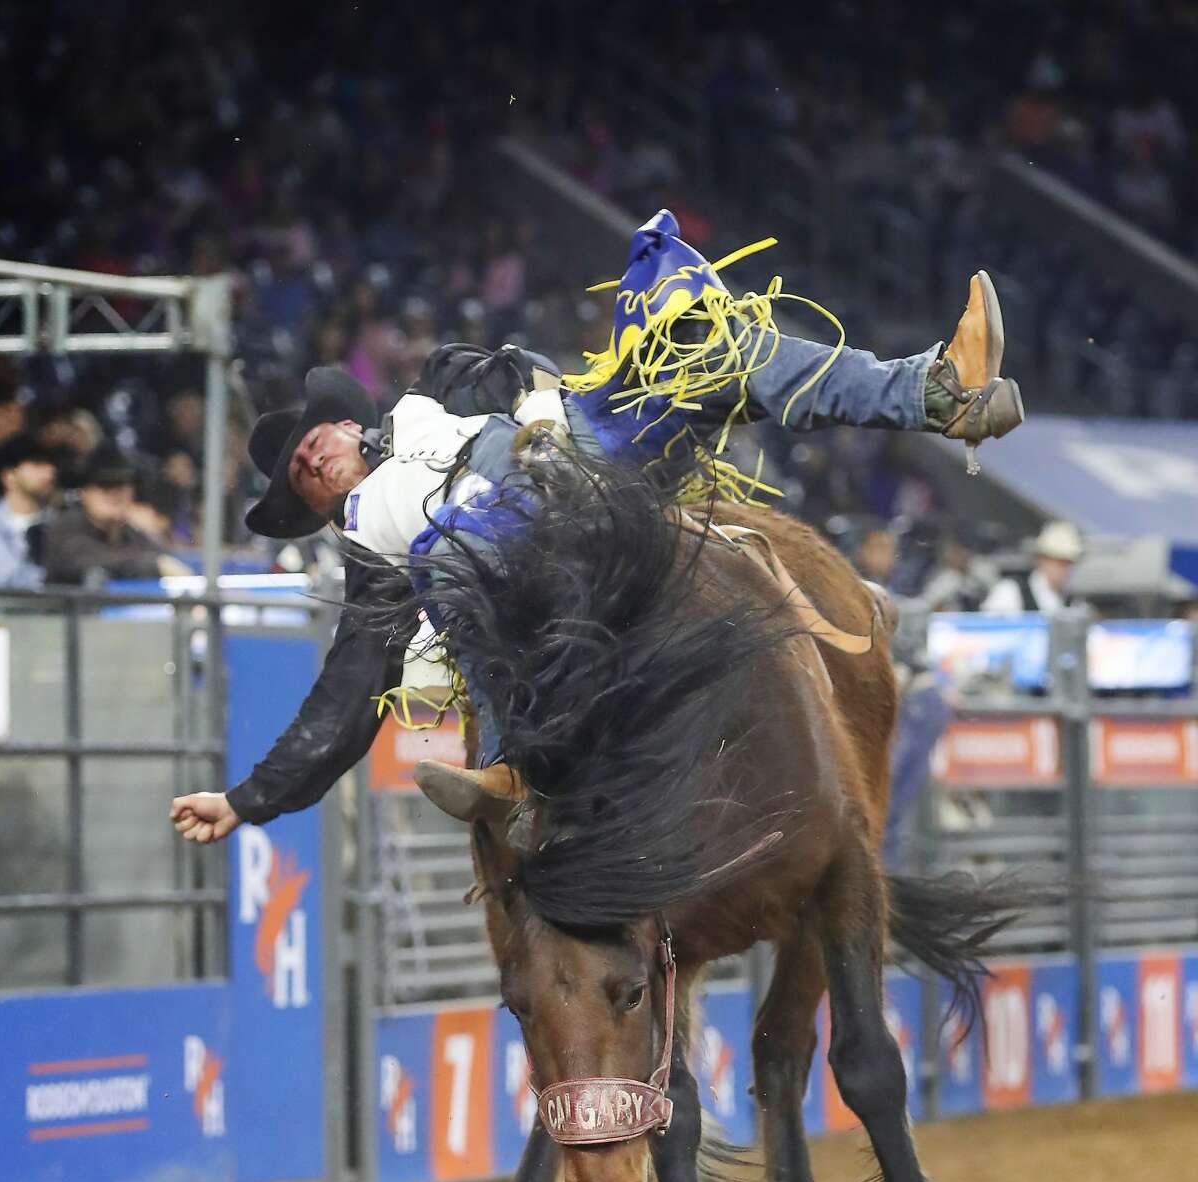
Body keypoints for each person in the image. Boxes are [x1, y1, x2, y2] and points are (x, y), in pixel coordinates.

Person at [171, 209, 1026, 845]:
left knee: (708, 349)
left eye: (309, 445)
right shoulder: (376, 559)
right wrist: (250, 800)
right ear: (313, 506)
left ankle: (936, 392)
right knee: (451, 549)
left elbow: (521, 370)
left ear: (339, 425)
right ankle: (513, 769)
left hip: (591, 451)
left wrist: (537, 401)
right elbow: (346, 698)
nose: (312, 462)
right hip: (514, 546)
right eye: (300, 475)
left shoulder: (434, 387)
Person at [41, 446, 191, 586]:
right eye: (105, 485)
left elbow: (166, 559)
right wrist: (155, 565)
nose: (115, 493)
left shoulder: (132, 534)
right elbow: (83, 559)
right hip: (67, 613)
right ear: (84, 493)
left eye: (122, 484)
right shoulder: (65, 528)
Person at [981, 520, 1083, 614]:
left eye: (1069, 563)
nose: (1064, 569)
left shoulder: (1074, 601)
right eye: (1059, 562)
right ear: (1042, 559)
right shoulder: (1010, 591)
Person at [0, 434, 57, 590]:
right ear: (9, 475)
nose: (49, 472)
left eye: (50, 465)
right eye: (37, 464)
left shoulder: (59, 523)